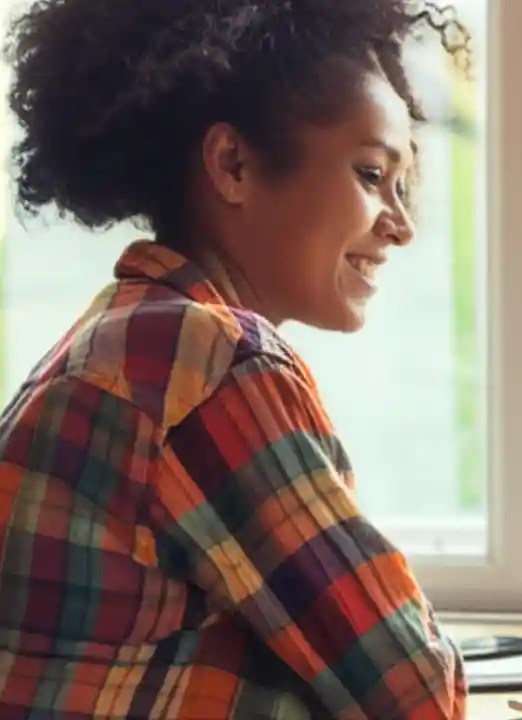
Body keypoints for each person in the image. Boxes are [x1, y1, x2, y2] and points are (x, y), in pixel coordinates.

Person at [0, 1, 469, 717]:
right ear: (234, 164)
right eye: (372, 175)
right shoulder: (207, 360)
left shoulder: (116, 337)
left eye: (403, 186)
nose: (400, 227)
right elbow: (418, 694)